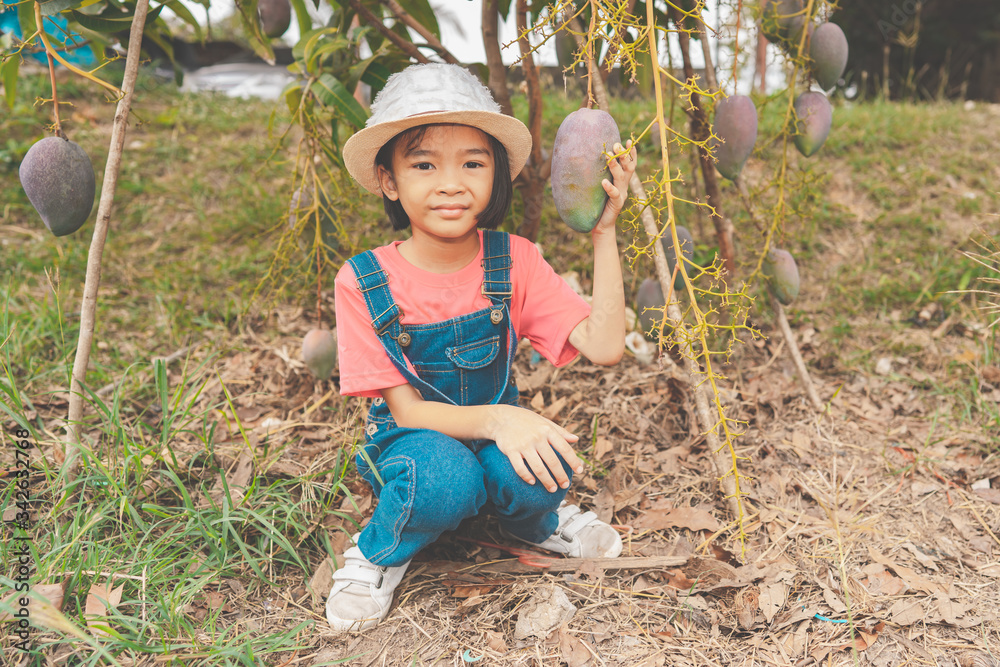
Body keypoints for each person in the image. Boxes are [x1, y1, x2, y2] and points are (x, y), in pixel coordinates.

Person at [327, 62, 637, 632]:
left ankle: (536, 523)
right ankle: (376, 553)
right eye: (424, 165)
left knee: (543, 467)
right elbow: (409, 411)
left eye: (473, 163)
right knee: (444, 480)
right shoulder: (364, 280)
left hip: (494, 429)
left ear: (496, 174)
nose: (451, 183)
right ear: (389, 180)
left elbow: (606, 346)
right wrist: (502, 420)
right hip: (411, 440)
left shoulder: (513, 259)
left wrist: (604, 233)